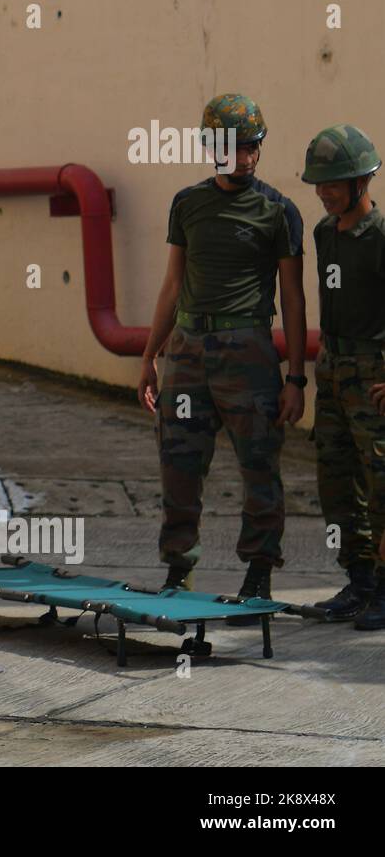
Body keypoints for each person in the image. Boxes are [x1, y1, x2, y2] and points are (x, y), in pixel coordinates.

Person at [137, 94, 306, 615]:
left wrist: (296, 377)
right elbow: (172, 285)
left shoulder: (279, 211)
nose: (246, 158)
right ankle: (178, 569)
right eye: (234, 148)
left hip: (248, 353)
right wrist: (149, 356)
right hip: (186, 351)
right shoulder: (187, 204)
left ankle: (258, 574)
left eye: (253, 147)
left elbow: (293, 295)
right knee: (179, 464)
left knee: (259, 465)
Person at [299, 126, 385, 628]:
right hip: (331, 369)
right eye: (319, 183)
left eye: (333, 183)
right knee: (335, 483)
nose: (324, 192)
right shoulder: (323, 233)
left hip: (374, 374)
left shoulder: (379, 238)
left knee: (381, 485)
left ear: (362, 181)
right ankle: (360, 582)